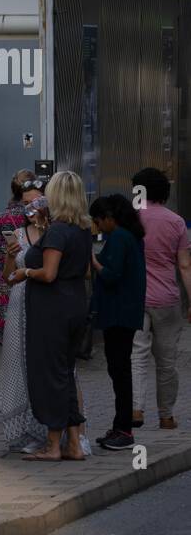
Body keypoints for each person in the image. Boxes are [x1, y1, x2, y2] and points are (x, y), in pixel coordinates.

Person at [17, 170, 93, 462]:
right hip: (75, 304)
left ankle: (52, 446)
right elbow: (85, 271)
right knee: (66, 374)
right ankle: (73, 444)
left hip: (52, 311)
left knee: (49, 376)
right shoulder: (82, 229)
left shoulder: (59, 231)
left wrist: (25, 272)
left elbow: (48, 274)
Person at [130, 167, 191, 430]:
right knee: (167, 361)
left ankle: (136, 410)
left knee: (137, 356)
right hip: (167, 300)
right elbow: (185, 266)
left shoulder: (130, 220)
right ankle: (166, 416)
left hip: (136, 298)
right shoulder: (176, 222)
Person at [89, 194, 147, 450]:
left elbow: (111, 275)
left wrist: (93, 261)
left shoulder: (120, 237)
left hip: (118, 314)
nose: (98, 226)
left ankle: (124, 429)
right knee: (119, 370)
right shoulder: (130, 236)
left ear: (110, 218)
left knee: (119, 371)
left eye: (99, 220)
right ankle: (120, 425)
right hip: (126, 312)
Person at [0, 196, 50, 453]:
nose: (30, 209)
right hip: (19, 303)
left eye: (37, 203)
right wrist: (10, 257)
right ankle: (23, 433)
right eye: (26, 204)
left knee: (43, 364)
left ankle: (50, 431)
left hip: (45, 303)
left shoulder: (55, 233)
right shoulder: (18, 234)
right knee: (18, 364)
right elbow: (8, 278)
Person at [0, 169, 39, 375]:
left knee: (1, 349)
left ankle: (6, 390)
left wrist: (1, 279)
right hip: (32, 289)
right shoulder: (36, 216)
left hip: (0, 297)